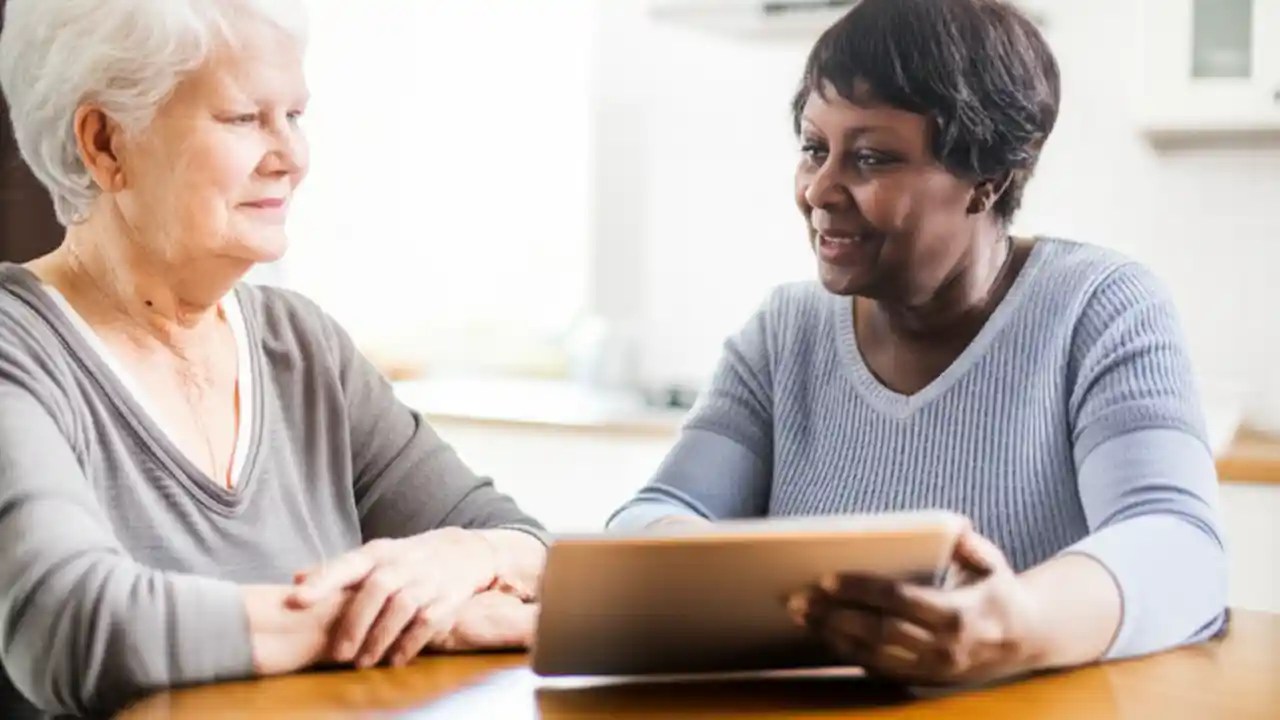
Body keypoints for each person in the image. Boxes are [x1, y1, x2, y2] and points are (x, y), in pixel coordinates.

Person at [609, 0, 1227, 687]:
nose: (819, 189)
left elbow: (1179, 547)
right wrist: (738, 576)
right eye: (815, 148)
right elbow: (651, 518)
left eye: (870, 158)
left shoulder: (1100, 310)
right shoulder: (783, 334)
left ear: (987, 181)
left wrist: (1011, 622)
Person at [0, 0, 546, 715]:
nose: (292, 156)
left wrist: (463, 560)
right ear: (105, 143)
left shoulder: (302, 345)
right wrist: (409, 620)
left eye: (294, 115)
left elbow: (522, 544)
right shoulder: (19, 349)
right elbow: (74, 625)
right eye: (242, 118)